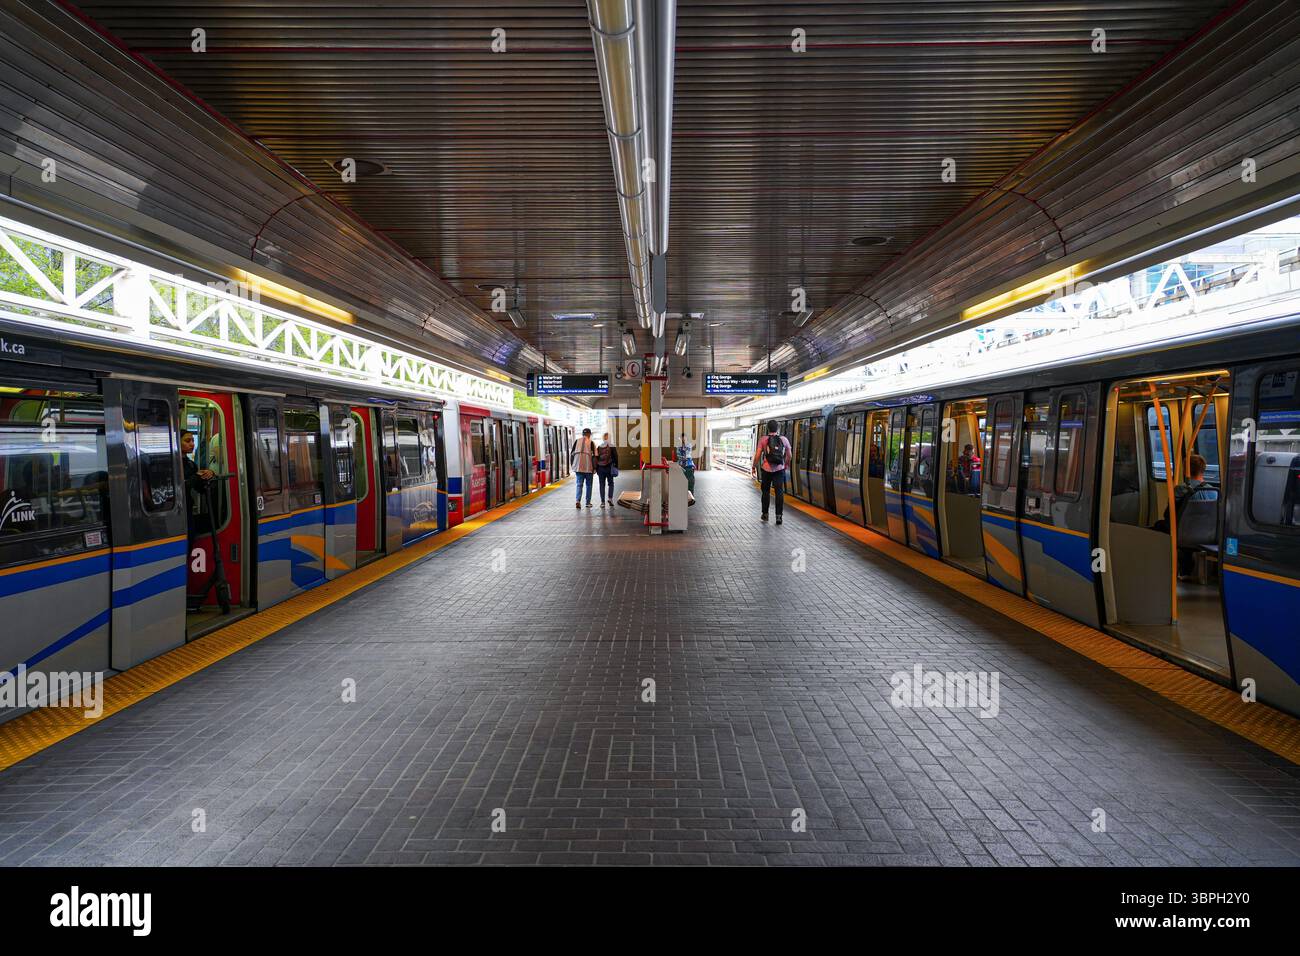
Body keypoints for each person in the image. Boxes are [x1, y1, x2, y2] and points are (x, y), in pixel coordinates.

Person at [1153, 453, 1218, 577]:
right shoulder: (1214, 492)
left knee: (1159, 526)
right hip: (1208, 535)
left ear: (1185, 470)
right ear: (1203, 470)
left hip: (1182, 535)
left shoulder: (1180, 490)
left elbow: (1168, 514)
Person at [751, 420, 791, 525]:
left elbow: (758, 454)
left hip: (766, 469)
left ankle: (765, 514)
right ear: (777, 429)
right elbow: (789, 455)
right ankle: (779, 516)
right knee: (779, 492)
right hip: (779, 469)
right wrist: (785, 465)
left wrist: (754, 466)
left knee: (766, 491)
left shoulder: (763, 440)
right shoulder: (784, 439)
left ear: (768, 428)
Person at [180, 430, 216, 542]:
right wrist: (195, 477)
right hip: (177, 511)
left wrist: (210, 474)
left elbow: (199, 489)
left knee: (191, 539)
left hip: (188, 509)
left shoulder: (191, 465)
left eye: (192, 440)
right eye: (187, 441)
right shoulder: (172, 464)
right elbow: (179, 488)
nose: (192, 444)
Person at [570, 427, 597, 509]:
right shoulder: (591, 443)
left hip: (578, 467)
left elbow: (572, 454)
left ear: (582, 434)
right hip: (588, 468)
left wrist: (573, 465)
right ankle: (588, 502)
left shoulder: (576, 441)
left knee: (579, 485)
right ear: (589, 434)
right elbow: (595, 456)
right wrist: (595, 468)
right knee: (589, 485)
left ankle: (578, 501)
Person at [595, 432, 617, 508]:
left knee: (602, 485)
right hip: (609, 468)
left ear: (603, 438)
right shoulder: (612, 446)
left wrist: (596, 468)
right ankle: (610, 499)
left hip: (600, 469)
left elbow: (596, 458)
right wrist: (616, 467)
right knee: (611, 483)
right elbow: (616, 458)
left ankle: (602, 502)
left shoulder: (599, 447)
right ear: (609, 438)